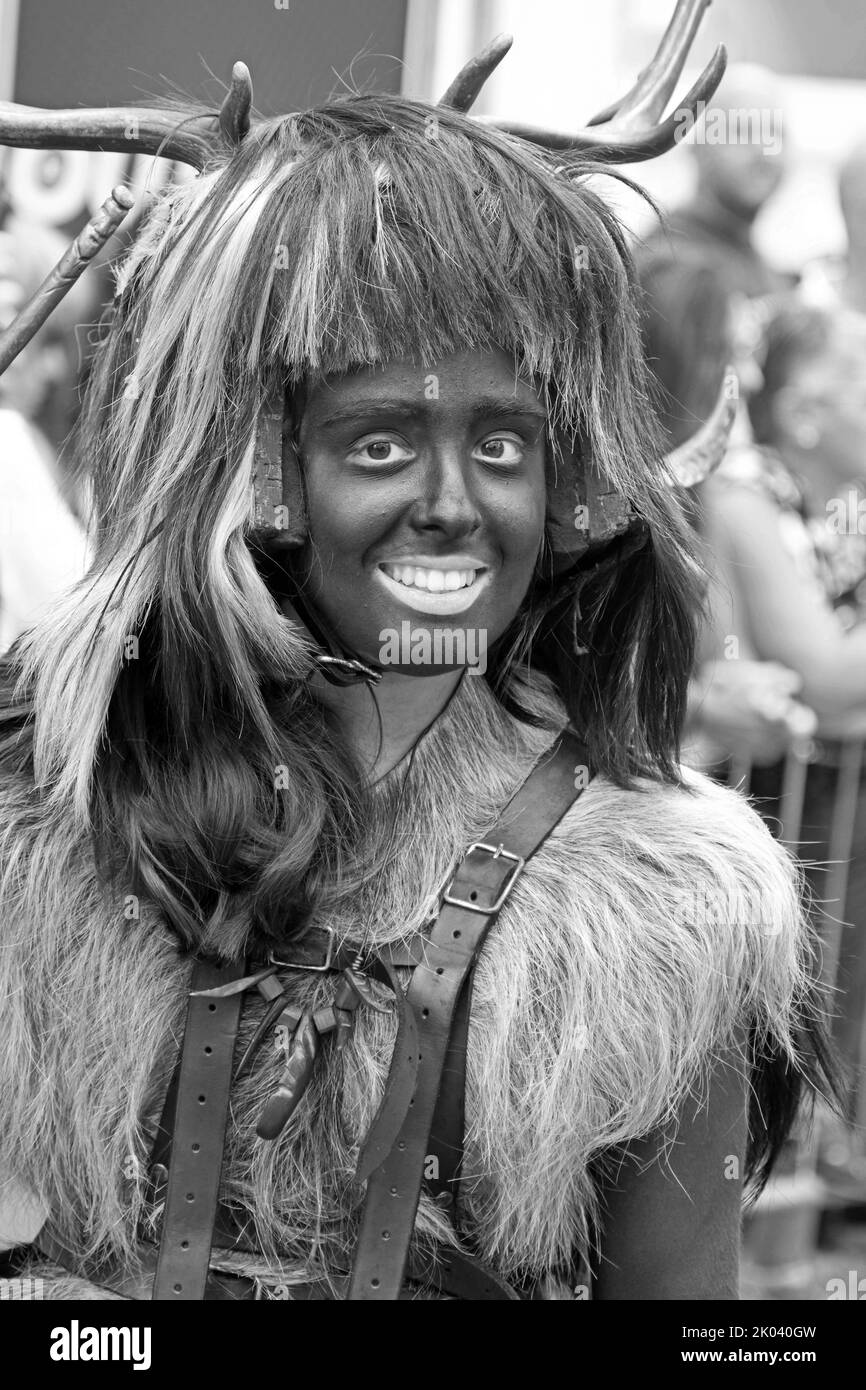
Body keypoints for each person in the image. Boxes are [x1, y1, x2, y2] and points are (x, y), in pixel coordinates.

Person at [0, 16, 836, 1301]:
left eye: (502, 445)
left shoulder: (665, 904)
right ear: (260, 472)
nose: (453, 503)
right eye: (380, 442)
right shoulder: (46, 813)